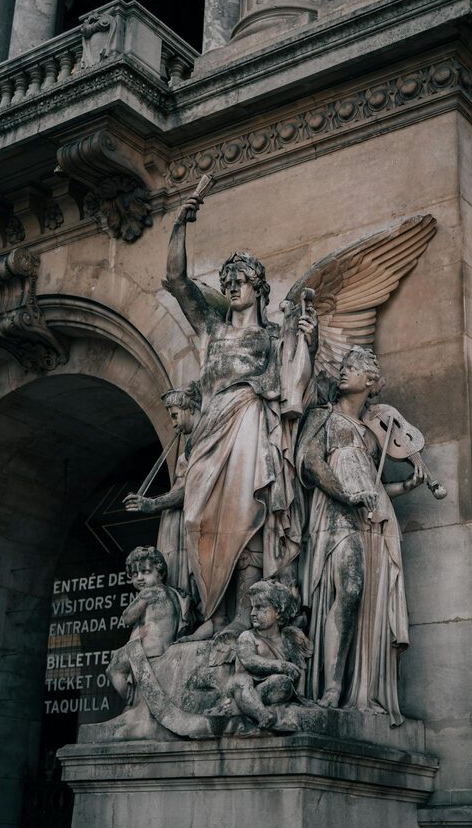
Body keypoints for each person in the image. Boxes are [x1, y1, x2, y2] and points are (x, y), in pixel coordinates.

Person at [163, 195, 317, 638]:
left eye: (241, 280)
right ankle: (209, 612)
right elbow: (176, 279)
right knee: (197, 521)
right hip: (211, 431)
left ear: (259, 288)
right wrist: (179, 222)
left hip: (251, 423)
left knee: (247, 513)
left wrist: (309, 340)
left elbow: (301, 387)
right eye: (227, 280)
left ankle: (234, 618)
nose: (232, 287)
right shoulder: (212, 330)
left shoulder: (273, 337)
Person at [296, 346, 424, 724]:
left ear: (369, 381)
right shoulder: (324, 417)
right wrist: (346, 494)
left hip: (373, 519)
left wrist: (407, 487)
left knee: (368, 600)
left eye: (352, 368)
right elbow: (311, 461)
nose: (343, 372)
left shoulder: (371, 436)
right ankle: (332, 687)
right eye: (344, 366)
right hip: (335, 514)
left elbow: (376, 487)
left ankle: (359, 688)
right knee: (348, 591)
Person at [124, 382, 201, 598]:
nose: (174, 424)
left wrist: (152, 504)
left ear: (190, 409)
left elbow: (189, 488)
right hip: (175, 518)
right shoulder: (190, 445)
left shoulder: (202, 442)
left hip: (187, 516)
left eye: (175, 416)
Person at [107, 546, 191, 704]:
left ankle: (133, 703)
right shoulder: (176, 594)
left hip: (148, 650)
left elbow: (127, 617)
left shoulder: (149, 592)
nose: (139, 578)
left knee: (113, 669)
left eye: (145, 572)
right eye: (134, 574)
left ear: (160, 572)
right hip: (167, 648)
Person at [228, 580, 312, 729]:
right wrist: (281, 665)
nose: (253, 613)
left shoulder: (287, 640)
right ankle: (263, 715)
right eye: (252, 607)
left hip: (262, 690)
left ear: (278, 611)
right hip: (243, 686)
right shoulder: (247, 636)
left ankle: (246, 706)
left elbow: (299, 670)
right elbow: (249, 660)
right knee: (241, 681)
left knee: (283, 682)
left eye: (260, 607)